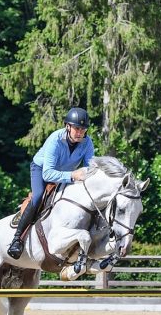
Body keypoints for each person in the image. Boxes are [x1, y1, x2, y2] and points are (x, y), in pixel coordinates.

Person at [6, 107, 95, 259]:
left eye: (83, 129)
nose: (80, 132)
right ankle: (17, 239)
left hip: (66, 175)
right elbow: (48, 173)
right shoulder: (55, 139)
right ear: (68, 126)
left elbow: (89, 168)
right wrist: (73, 175)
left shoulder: (87, 143)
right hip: (41, 170)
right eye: (77, 128)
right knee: (38, 196)